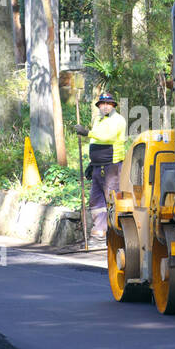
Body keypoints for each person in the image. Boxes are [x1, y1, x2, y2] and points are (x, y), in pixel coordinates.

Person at [75, 92, 125, 244]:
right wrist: (92, 162)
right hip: (98, 166)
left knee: (112, 200)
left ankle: (116, 234)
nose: (105, 106)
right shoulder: (99, 120)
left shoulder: (118, 120)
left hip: (112, 166)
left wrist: (87, 132)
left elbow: (107, 137)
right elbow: (95, 142)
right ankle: (99, 233)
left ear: (113, 106)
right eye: (102, 103)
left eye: (108, 103)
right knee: (96, 201)